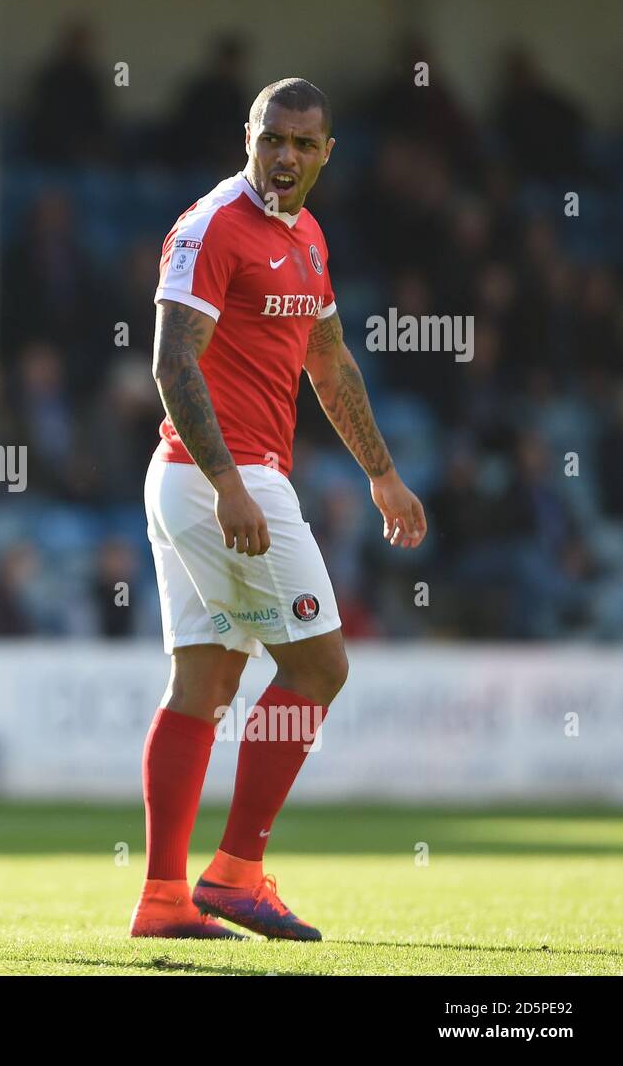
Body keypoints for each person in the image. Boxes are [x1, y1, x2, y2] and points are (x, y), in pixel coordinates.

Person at [129, 78, 426, 942]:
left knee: (207, 682)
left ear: (327, 152)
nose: (285, 158)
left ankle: (162, 898)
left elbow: (328, 365)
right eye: (272, 140)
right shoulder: (211, 225)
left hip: (216, 479)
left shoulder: (308, 237)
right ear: (247, 138)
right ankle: (238, 871)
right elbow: (172, 362)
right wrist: (228, 483)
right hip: (219, 477)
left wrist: (382, 473)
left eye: (303, 143)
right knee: (320, 668)